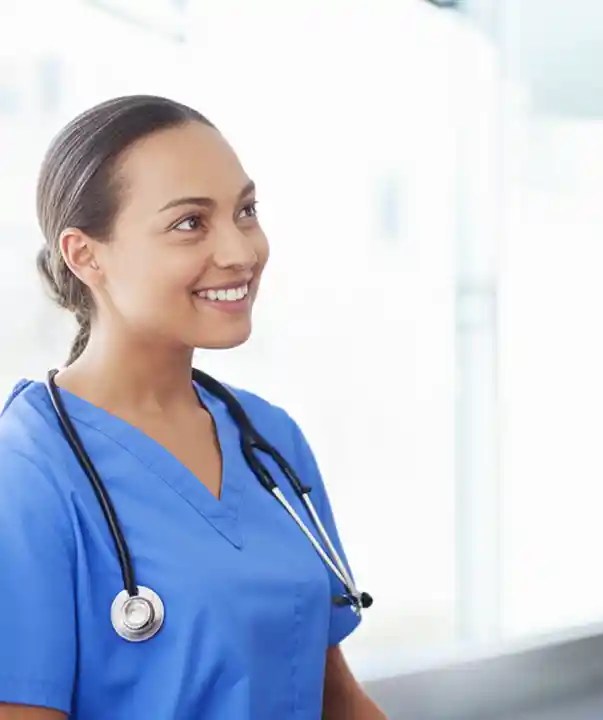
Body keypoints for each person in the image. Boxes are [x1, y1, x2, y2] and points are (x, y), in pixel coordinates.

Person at [0, 95, 385, 719]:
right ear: (85, 254)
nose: (240, 252)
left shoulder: (267, 439)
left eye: (246, 211)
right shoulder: (27, 473)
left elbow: (333, 698)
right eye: (190, 223)